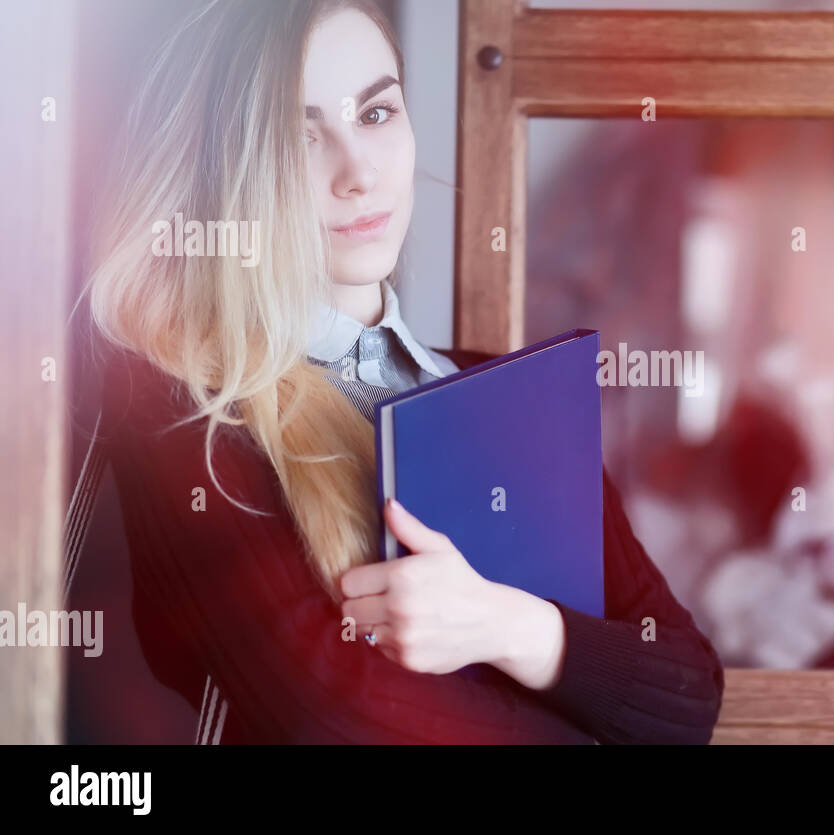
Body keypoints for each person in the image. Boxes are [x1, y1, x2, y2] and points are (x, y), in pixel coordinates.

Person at [84, 0, 723, 744]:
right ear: (224, 171)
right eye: (301, 134)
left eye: (377, 113)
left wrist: (503, 624)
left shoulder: (517, 395)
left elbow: (687, 697)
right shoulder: (187, 413)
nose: (357, 172)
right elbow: (334, 714)